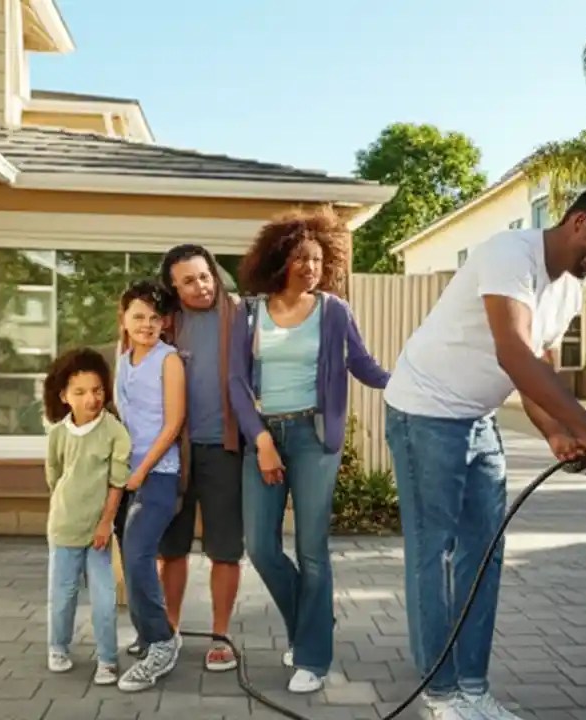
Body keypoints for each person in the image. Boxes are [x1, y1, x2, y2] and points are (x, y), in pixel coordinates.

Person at [383, 186, 586, 720]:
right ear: (577, 221)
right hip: (424, 411)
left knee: (485, 551)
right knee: (435, 552)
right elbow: (514, 353)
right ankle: (441, 693)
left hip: (477, 418)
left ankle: (473, 689)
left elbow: (539, 365)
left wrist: (554, 433)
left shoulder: (567, 287)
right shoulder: (508, 254)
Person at [228, 206, 391, 693]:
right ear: (280, 259)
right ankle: (313, 625)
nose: (311, 267)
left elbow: (362, 363)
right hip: (265, 436)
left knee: (312, 550)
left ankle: (312, 658)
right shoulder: (250, 311)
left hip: (315, 438)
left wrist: (405, 383)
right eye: (301, 257)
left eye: (318, 260)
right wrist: (260, 441)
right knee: (259, 546)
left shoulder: (333, 310)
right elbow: (236, 381)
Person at [131, 243, 246, 672]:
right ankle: (169, 631)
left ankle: (221, 635)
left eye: (204, 276)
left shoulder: (240, 315)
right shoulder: (167, 324)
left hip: (224, 448)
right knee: (171, 547)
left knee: (225, 549)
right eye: (188, 281)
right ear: (174, 289)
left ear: (213, 273)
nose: (200, 286)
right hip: (172, 452)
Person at [113, 281, 188, 693]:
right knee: (130, 556)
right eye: (139, 316)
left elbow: (173, 423)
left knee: (140, 553)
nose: (147, 324)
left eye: (155, 317)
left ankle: (162, 641)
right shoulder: (123, 360)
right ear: (124, 319)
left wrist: (142, 470)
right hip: (128, 474)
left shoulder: (169, 360)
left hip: (159, 473)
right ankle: (146, 634)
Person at [42, 347, 130, 686]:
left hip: (99, 533)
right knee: (62, 596)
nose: (91, 398)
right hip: (64, 529)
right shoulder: (58, 433)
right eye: (80, 392)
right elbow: (55, 476)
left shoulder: (114, 431)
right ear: (64, 396)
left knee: (105, 600)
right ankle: (58, 647)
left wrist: (105, 522)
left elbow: (117, 481)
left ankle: (107, 659)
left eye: (97, 390)